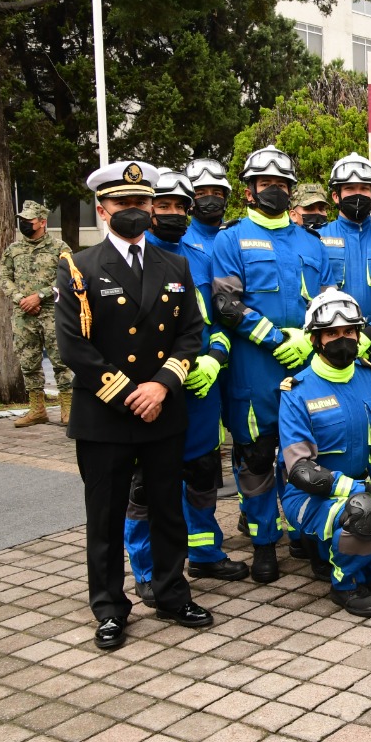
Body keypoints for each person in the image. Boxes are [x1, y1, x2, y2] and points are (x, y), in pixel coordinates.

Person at [56, 160, 213, 650]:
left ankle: (170, 592)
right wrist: (131, 393)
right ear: (103, 210)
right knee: (104, 517)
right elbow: (74, 347)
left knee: (168, 508)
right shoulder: (80, 267)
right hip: (105, 416)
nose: (136, 210)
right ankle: (108, 607)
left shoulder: (176, 266)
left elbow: (191, 333)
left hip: (163, 410)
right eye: (124, 203)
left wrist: (163, 385)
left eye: (142, 202)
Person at [122, 170, 248, 605]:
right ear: (146, 208)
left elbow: (216, 319)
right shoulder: (134, 257)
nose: (172, 213)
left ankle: (205, 552)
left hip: (199, 391)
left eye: (180, 206)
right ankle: (147, 570)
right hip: (153, 392)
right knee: (146, 486)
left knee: (200, 475)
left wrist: (215, 357)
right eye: (163, 206)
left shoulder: (199, 254)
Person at [212, 145, 332, 583]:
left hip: (305, 370)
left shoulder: (311, 243)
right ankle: (265, 544)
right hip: (254, 369)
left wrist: (308, 339)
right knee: (259, 459)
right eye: (266, 185)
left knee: (312, 455)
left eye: (282, 185)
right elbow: (227, 302)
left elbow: (328, 301)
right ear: (249, 190)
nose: (275, 191)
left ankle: (314, 538)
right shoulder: (230, 239)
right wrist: (278, 338)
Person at [278, 289, 371, 617]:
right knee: (362, 512)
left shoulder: (369, 377)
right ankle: (344, 582)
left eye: (349, 332)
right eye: (332, 333)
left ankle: (339, 547)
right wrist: (365, 490)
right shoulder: (297, 390)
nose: (343, 340)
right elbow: (301, 470)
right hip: (309, 497)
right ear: (315, 339)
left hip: (361, 495)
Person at [319, 153, 371, 412]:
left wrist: (370, 332)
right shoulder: (316, 239)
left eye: (364, 189)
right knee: (332, 414)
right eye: (350, 189)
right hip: (331, 343)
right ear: (336, 195)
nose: (358, 194)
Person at [0, 200, 73, 427]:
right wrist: (21, 300)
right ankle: (37, 410)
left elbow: (68, 278)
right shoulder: (13, 250)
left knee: (61, 361)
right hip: (23, 315)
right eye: (21, 220)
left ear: (42, 222)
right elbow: (4, 278)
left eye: (28, 221)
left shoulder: (60, 248)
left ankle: (68, 409)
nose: (24, 224)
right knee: (28, 363)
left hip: (53, 312)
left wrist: (39, 296)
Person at [184, 158, 233, 255]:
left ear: (225, 199)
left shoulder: (237, 236)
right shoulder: (179, 240)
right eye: (201, 194)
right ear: (190, 201)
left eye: (216, 193)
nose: (210, 199)